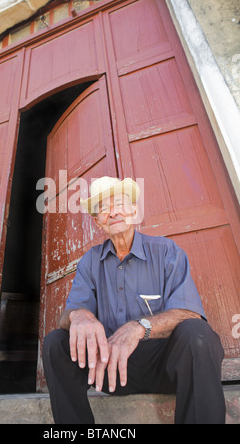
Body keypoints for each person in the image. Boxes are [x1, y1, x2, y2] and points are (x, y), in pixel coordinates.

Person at [42, 176, 226, 424]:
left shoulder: (167, 252)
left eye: (119, 203)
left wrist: (138, 327)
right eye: (104, 209)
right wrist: (80, 315)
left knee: (198, 333)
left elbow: (189, 313)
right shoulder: (90, 261)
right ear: (98, 221)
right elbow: (69, 314)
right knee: (56, 342)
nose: (113, 212)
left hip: (163, 367)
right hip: (108, 369)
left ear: (134, 210)